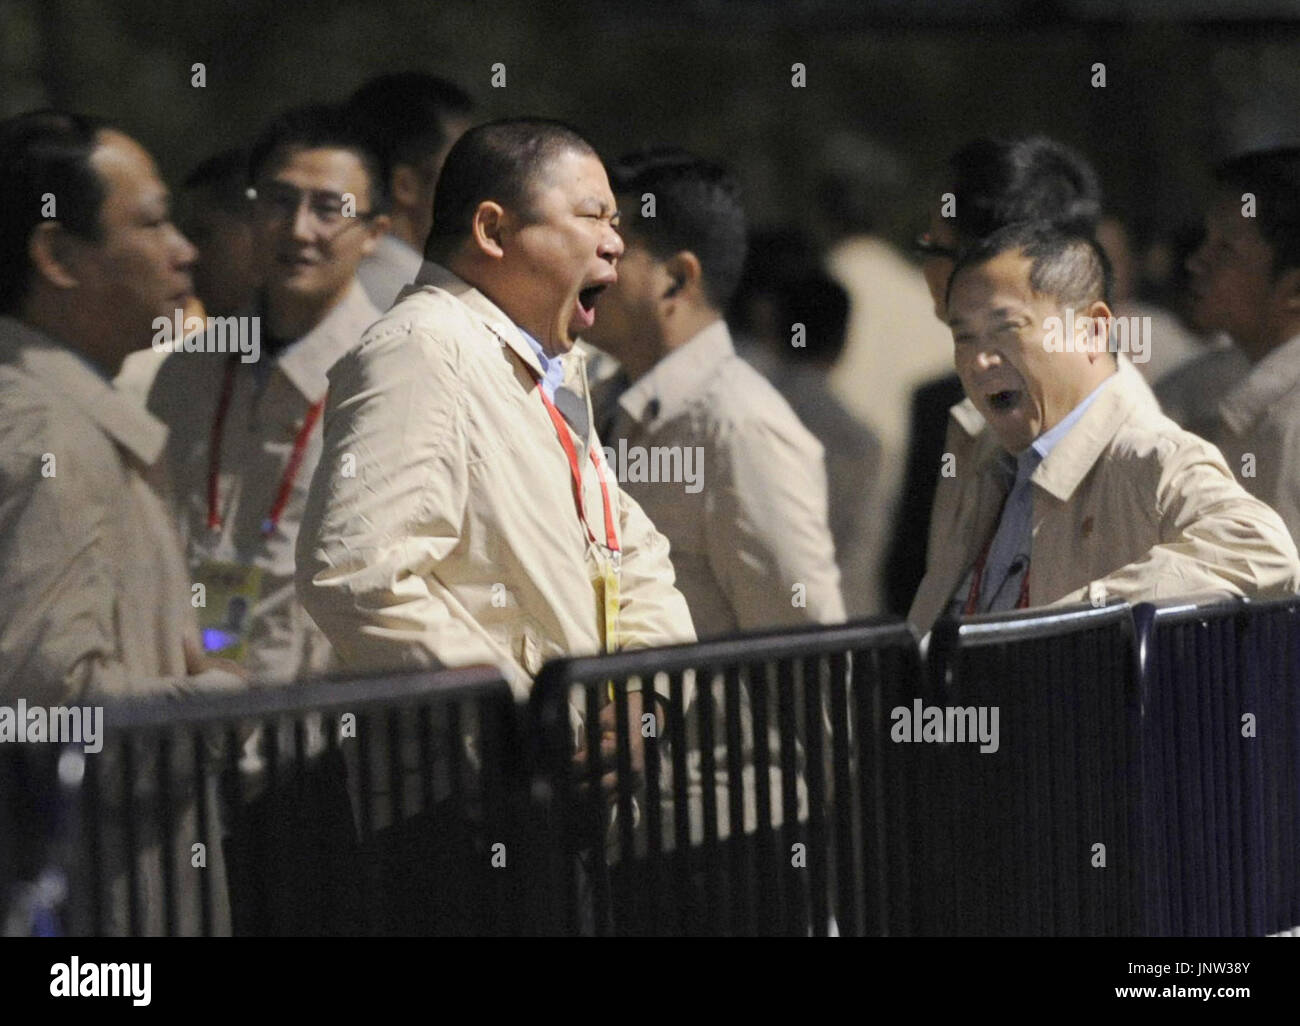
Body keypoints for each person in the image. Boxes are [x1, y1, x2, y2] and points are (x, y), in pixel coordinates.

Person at [0, 109, 247, 934]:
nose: (184, 249)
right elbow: (47, 711)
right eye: (151, 221)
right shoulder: (49, 437)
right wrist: (218, 705)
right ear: (57, 257)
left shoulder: (56, 413)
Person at [908, 224, 1300, 636]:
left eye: (1006, 329)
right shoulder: (987, 460)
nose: (979, 360)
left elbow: (1261, 553)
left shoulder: (1150, 455)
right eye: (963, 337)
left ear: (1092, 330)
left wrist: (1075, 619)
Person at [148, 104, 386, 685]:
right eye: (279, 201)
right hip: (181, 715)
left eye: (328, 209)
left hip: (322, 730)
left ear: (375, 234)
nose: (298, 228)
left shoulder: (392, 374)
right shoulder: (187, 371)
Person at [886, 135, 1159, 615]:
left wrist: (1080, 612)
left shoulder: (1139, 444)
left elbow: (1261, 553)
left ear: (993, 257)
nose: (924, 266)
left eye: (934, 246)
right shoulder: (970, 413)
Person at [585, 149, 845, 636]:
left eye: (612, 249)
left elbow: (805, 656)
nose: (590, 269)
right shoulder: (602, 402)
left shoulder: (741, 428)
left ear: (678, 277)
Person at [1189, 148, 1300, 544]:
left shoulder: (1290, 426)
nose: (1196, 262)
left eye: (1225, 249)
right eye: (1206, 241)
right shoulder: (1224, 390)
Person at [347, 73, 475, 311]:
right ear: (406, 186)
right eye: (462, 163)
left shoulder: (340, 285)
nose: (479, 185)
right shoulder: (431, 306)